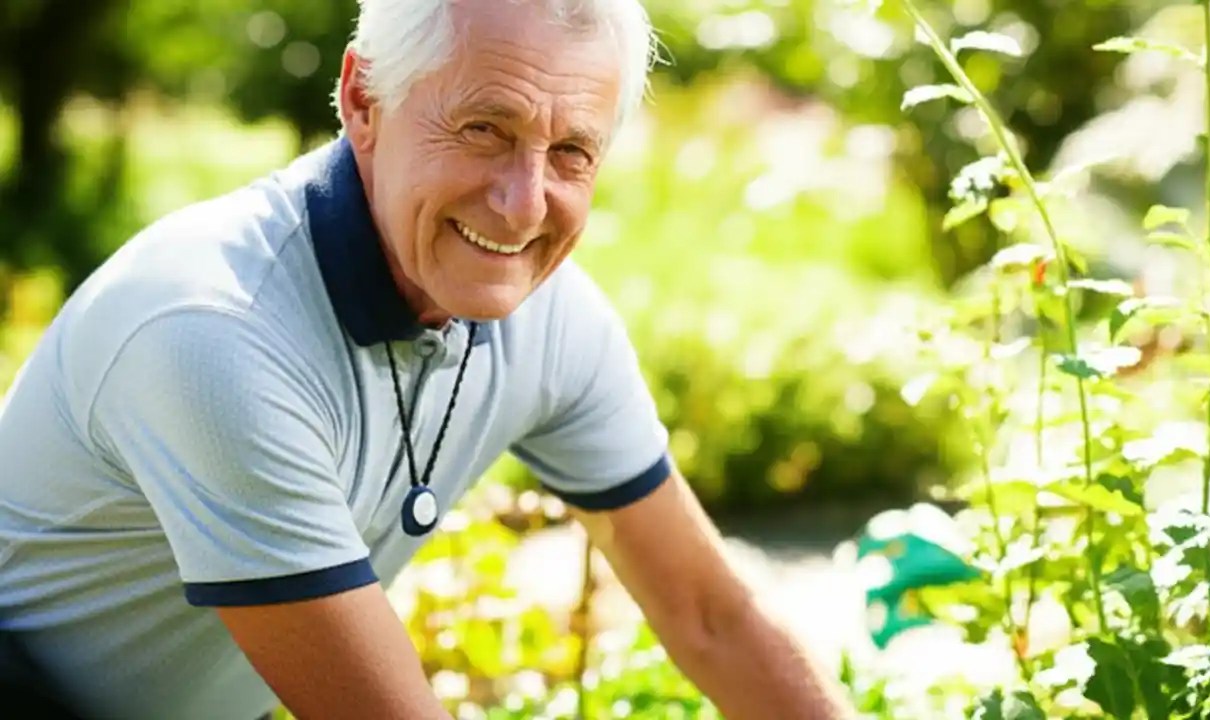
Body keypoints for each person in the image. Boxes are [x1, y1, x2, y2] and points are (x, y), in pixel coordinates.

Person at [0, 0, 852, 718]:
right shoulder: (213, 331)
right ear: (364, 99)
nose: (523, 205)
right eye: (485, 128)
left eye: (570, 153)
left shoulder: (554, 322)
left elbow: (711, 618)